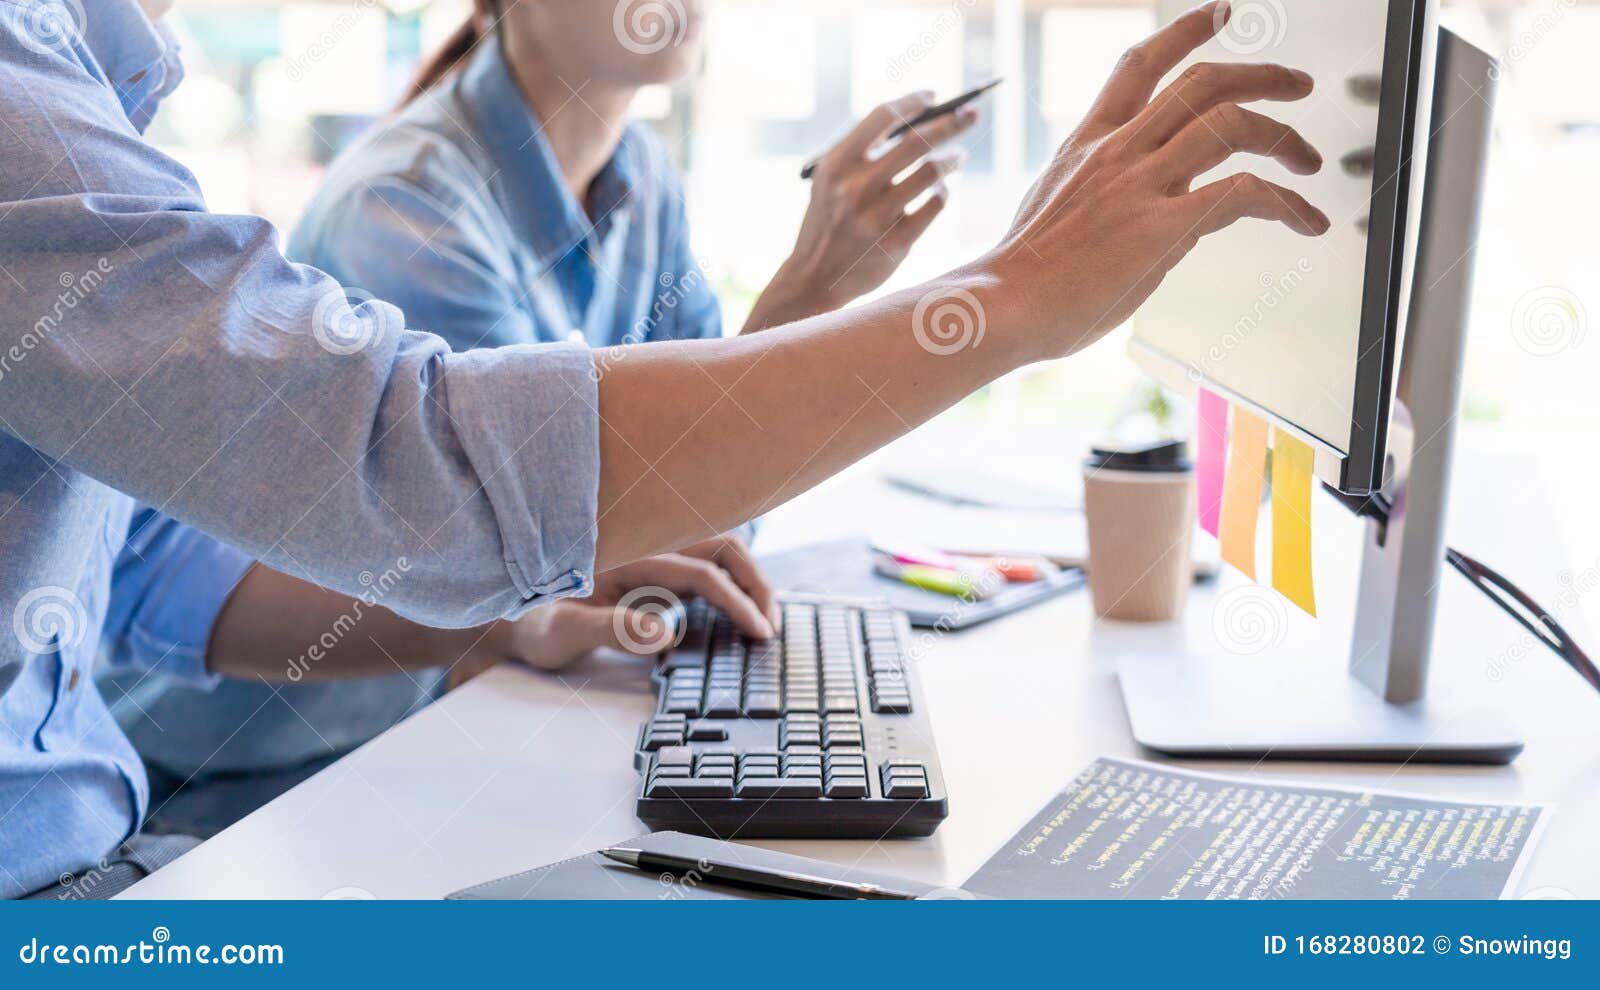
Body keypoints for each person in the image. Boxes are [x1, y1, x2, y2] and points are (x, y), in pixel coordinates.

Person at [0, 0, 1328, 898]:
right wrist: (1004, 298)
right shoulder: (386, 196)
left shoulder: (641, 184)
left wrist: (520, 611)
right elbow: (437, 484)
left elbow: (156, 562)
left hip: (126, 849)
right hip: (175, 829)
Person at [100, 0, 976, 837]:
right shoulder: (406, 210)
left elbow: (691, 528)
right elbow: (534, 543)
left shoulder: (640, 179)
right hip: (261, 772)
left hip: (442, 719)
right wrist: (812, 292)